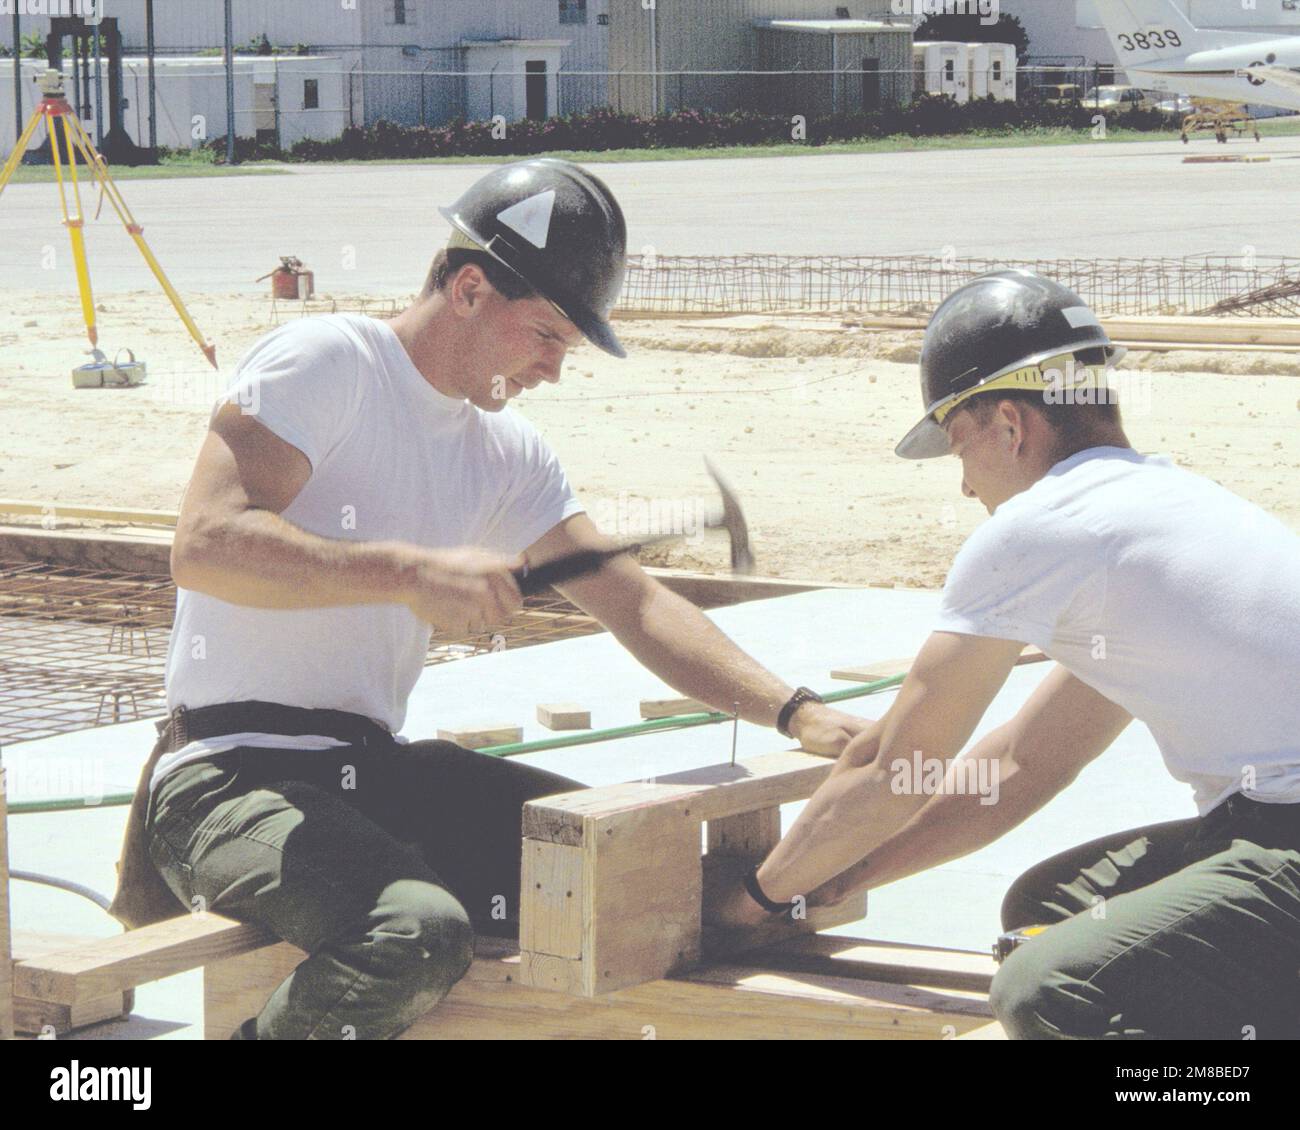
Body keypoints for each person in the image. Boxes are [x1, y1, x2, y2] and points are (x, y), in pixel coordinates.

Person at [105, 157, 868, 1040]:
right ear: (469, 289)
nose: (553, 370)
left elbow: (633, 603)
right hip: (224, 772)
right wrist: (409, 572)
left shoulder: (507, 452)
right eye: (545, 336)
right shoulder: (328, 362)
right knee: (413, 934)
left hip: (370, 769)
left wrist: (796, 712)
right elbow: (204, 546)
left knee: (627, 879)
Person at [704, 269, 1300, 1040]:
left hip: (1282, 839)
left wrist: (747, 901)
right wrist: (839, 879)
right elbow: (1024, 763)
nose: (962, 487)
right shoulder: (1161, 513)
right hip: (1267, 822)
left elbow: (894, 765)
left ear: (1010, 425)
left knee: (1048, 991)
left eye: (957, 445)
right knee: (1049, 910)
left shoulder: (1043, 526)